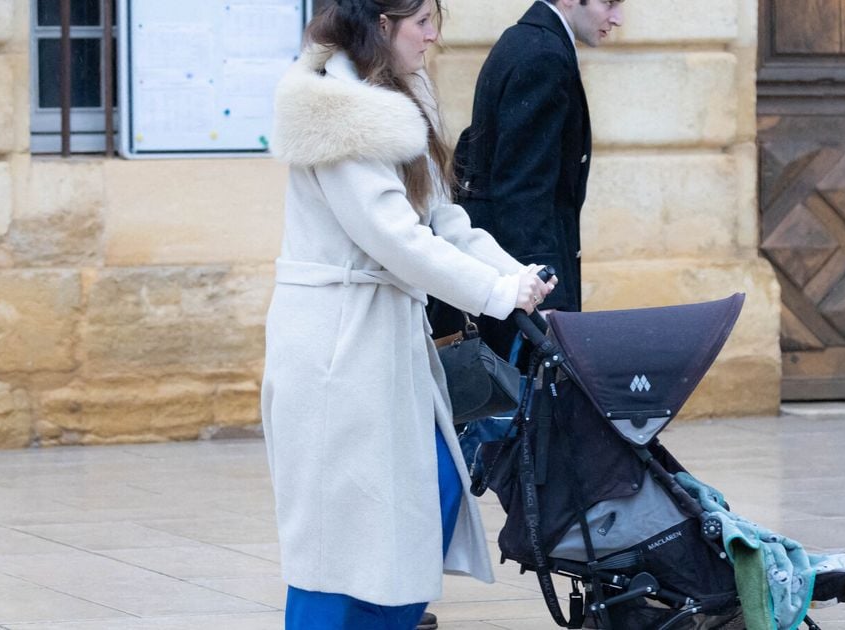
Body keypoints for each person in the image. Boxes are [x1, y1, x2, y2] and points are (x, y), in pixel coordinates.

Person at [261, 0, 556, 627]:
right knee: (336, 535)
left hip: (381, 340)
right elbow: (393, 236)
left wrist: (513, 275)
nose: (433, 35)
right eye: (422, 20)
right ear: (382, 23)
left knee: (424, 496)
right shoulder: (339, 112)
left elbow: (444, 219)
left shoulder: (394, 96)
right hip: (338, 345)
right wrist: (494, 293)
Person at [453, 0, 625, 360]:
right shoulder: (543, 55)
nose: (618, 18)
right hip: (520, 275)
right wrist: (546, 298)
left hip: (507, 265)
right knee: (527, 408)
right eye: (608, 3)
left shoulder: (528, 42)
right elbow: (523, 186)